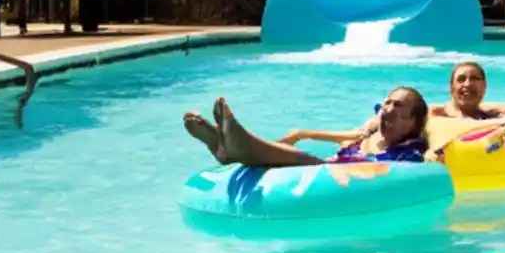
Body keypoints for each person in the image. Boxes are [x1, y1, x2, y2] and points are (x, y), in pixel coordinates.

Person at [182, 87, 431, 168]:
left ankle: (235, 144)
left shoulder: (408, 153)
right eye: (387, 102)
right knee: (290, 158)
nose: (387, 108)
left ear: (412, 122)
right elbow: (353, 134)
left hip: (338, 178)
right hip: (330, 167)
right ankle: (227, 149)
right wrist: (303, 134)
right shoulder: (371, 130)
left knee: (303, 160)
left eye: (398, 105)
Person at [430, 61, 505, 120]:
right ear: (451, 87)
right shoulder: (435, 116)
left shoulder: (491, 117)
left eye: (474, 78)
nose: (467, 84)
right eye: (461, 79)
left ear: (484, 85)